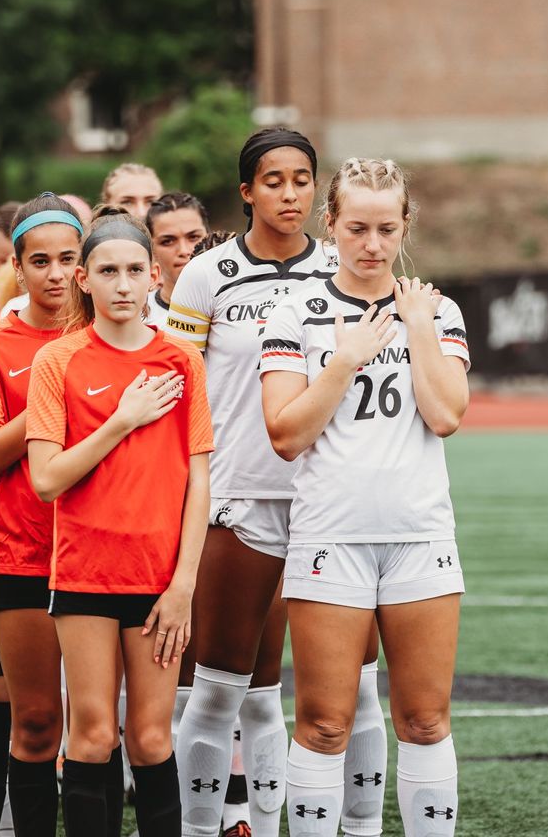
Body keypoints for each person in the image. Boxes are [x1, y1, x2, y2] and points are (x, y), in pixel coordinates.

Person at [169, 127, 383, 837]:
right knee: (225, 687)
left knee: (354, 692)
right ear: (246, 192)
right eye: (273, 181)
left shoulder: (341, 266)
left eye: (300, 181)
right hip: (240, 500)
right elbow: (178, 388)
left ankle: (315, 826)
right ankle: (209, 829)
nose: (288, 194)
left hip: (332, 504)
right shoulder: (206, 275)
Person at [260, 158, 469, 837]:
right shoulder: (296, 311)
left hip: (419, 538)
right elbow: (285, 434)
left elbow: (446, 415)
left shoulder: (437, 311)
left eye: (386, 228)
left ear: (405, 226)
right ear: (331, 225)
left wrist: (414, 327)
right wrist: (345, 358)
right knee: (323, 724)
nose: (372, 244)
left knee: (426, 719)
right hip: (331, 538)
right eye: (357, 227)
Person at [26, 209, 214, 837]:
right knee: (94, 732)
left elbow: (198, 482)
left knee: (152, 737)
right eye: (108, 271)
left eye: (136, 270)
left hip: (160, 580)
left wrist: (184, 583)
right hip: (83, 575)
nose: (124, 284)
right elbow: (47, 478)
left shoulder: (183, 360)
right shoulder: (60, 361)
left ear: (156, 276)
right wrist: (121, 420)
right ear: (84, 279)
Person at [0, 193, 81, 837]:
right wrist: (52, 389)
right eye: (41, 261)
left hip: (99, 553)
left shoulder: (108, 337)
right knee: (35, 723)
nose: (57, 273)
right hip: (20, 551)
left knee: (95, 728)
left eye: (69, 258)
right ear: (17, 265)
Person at [144, 192, 207, 328]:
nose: (184, 250)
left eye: (194, 237)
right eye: (168, 241)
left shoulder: (240, 305)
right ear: (151, 250)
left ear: (209, 237)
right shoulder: (138, 317)